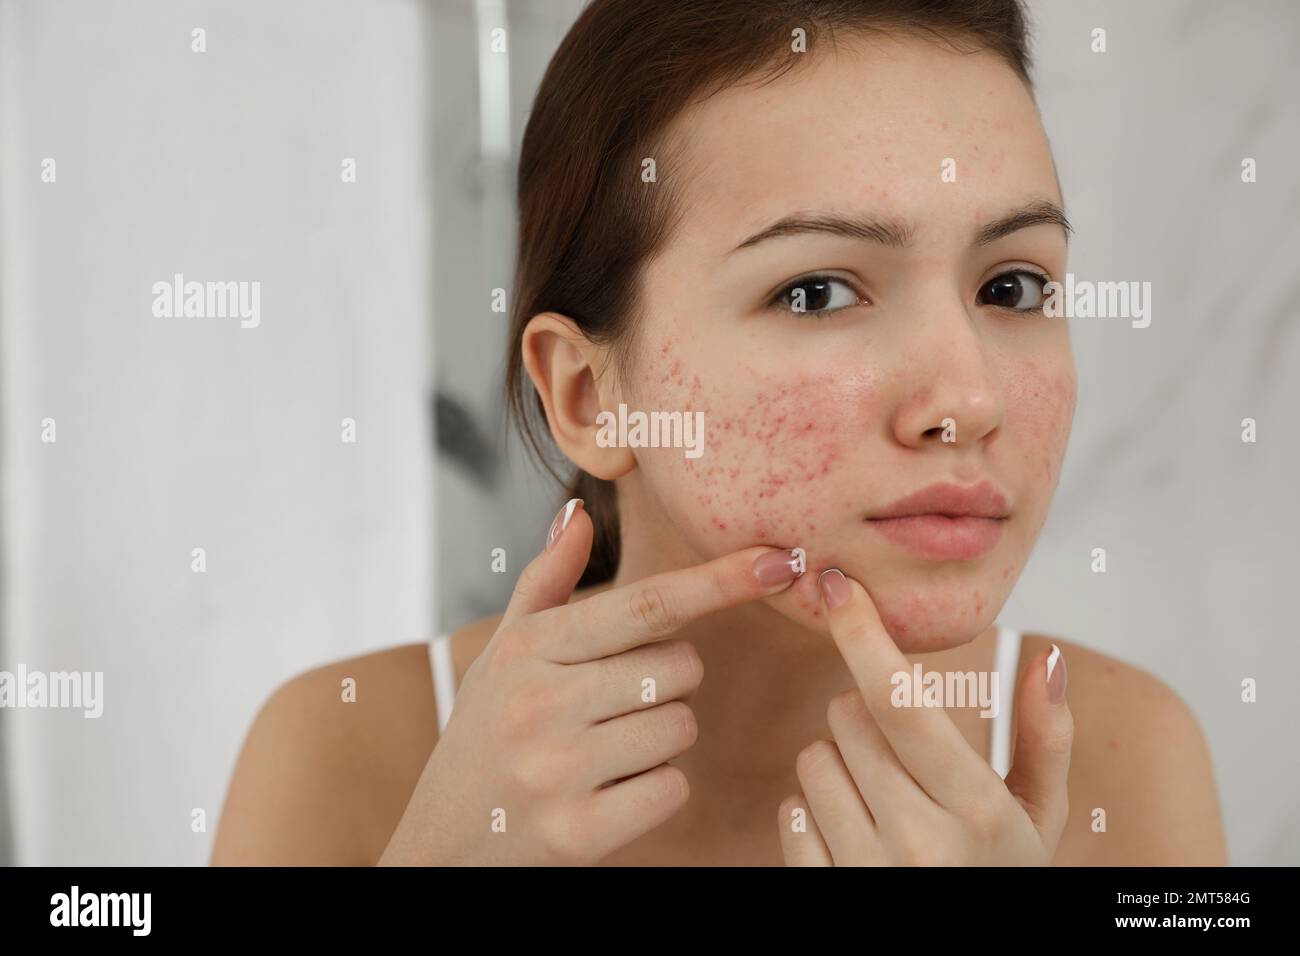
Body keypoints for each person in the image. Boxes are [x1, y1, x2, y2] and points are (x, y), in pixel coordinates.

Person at [212, 0, 1226, 866]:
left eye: (1013, 284)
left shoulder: (1126, 763)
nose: (967, 398)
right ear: (585, 394)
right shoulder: (346, 756)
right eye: (818, 290)